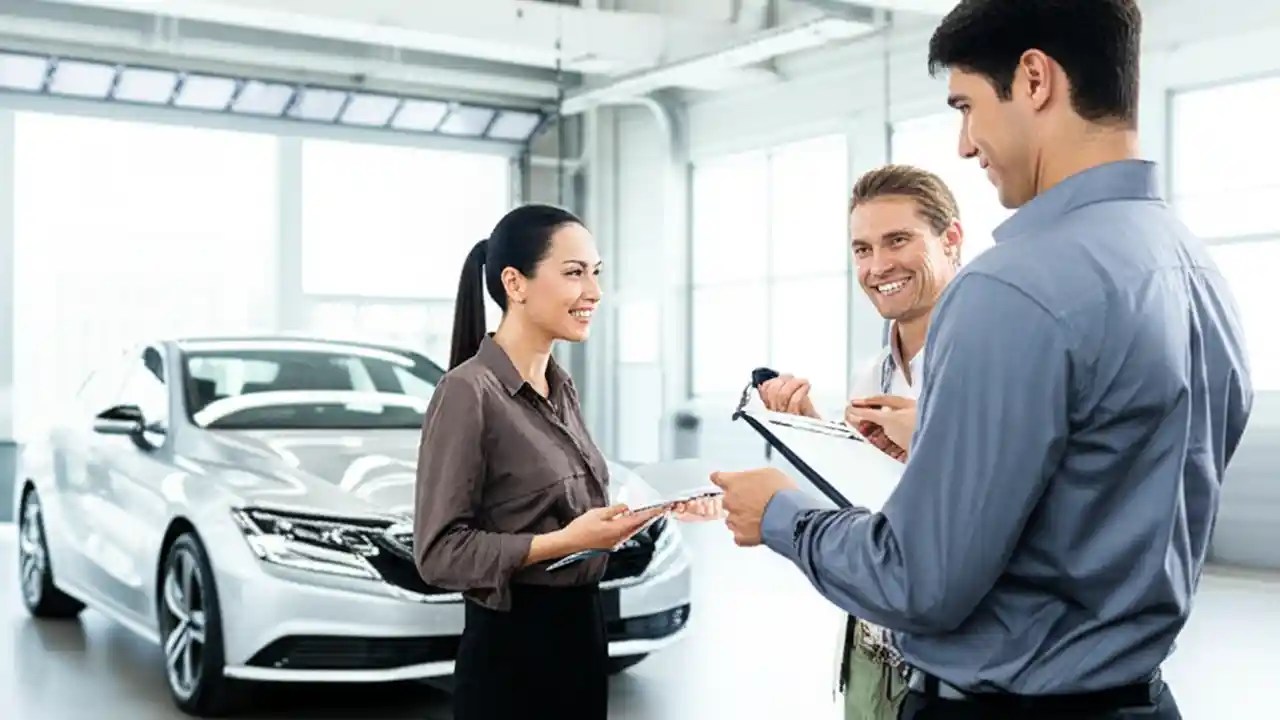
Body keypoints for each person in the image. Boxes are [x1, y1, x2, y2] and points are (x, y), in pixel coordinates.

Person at [712, 2, 1254, 719]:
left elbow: (918, 582)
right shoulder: (1194, 270)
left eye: (967, 106)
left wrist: (781, 514)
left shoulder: (1010, 286)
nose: (966, 145)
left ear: (1034, 79)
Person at [413, 204, 664, 720]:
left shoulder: (561, 386)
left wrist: (641, 515)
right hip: (514, 657)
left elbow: (564, 508)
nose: (593, 291)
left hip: (582, 637)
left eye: (596, 273)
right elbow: (438, 553)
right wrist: (565, 542)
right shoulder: (467, 393)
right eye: (574, 273)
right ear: (515, 283)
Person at [756, 164, 964, 720]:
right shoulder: (871, 375)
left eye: (898, 240)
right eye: (862, 249)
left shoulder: (987, 362)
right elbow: (868, 502)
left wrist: (929, 434)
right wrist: (816, 432)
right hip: (873, 640)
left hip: (952, 660)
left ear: (951, 240)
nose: (878, 267)